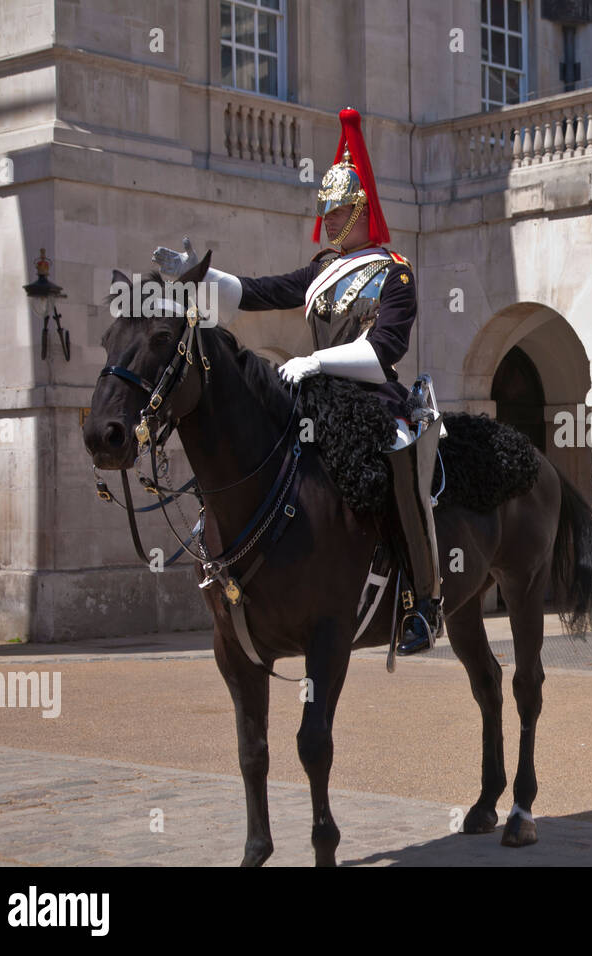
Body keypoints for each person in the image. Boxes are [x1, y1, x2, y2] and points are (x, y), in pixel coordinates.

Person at [152, 107, 444, 660]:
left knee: (401, 461)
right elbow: (258, 291)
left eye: (338, 212)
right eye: (327, 212)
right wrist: (200, 272)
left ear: (361, 210)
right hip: (319, 395)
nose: (330, 222)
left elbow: (384, 353)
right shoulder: (321, 271)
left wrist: (315, 362)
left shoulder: (394, 271)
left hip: (375, 399)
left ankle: (422, 600)